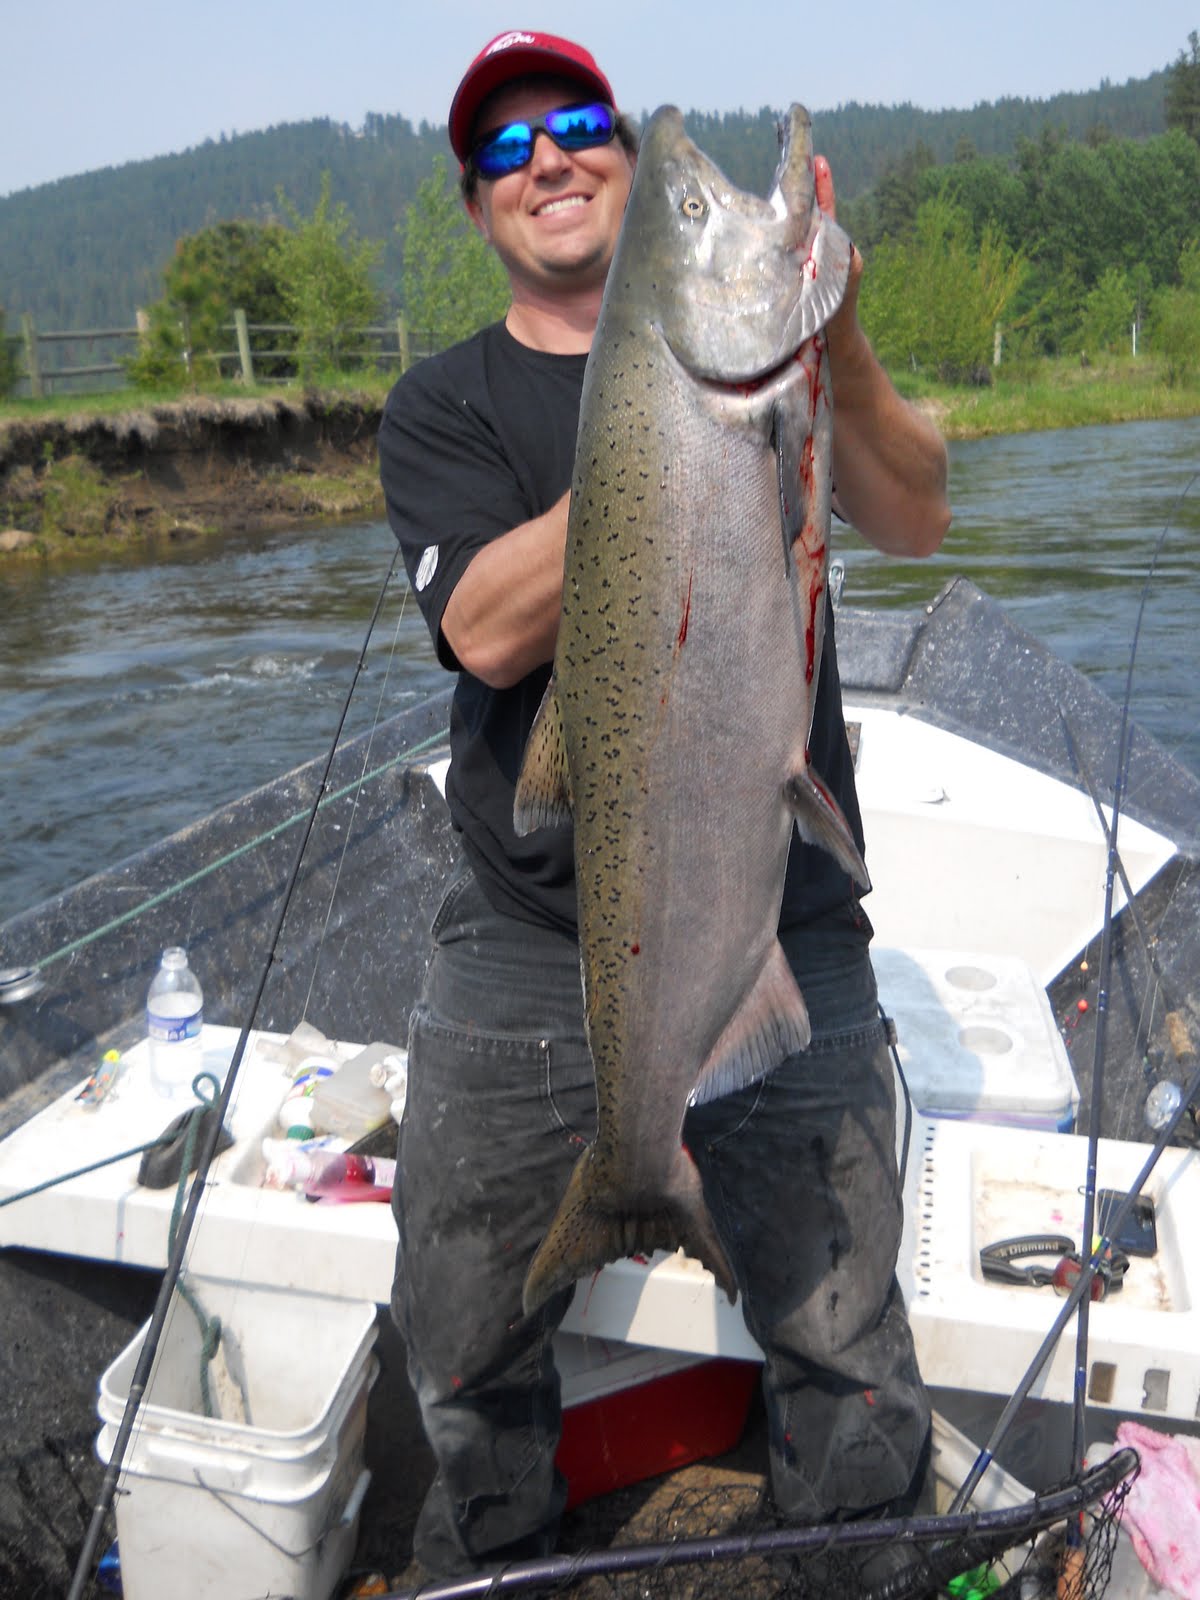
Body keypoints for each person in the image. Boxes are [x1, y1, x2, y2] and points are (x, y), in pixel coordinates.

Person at [379, 28, 952, 1581]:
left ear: (623, 167)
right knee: (457, 1350)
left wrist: (824, 332)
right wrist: (672, 411)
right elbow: (489, 632)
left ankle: (858, 1553)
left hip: (783, 905)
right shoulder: (442, 408)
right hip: (524, 938)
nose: (548, 158)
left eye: (577, 126)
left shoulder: (772, 370)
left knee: (843, 1344)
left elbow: (915, 508)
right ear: (476, 200)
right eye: (507, 147)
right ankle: (487, 1559)